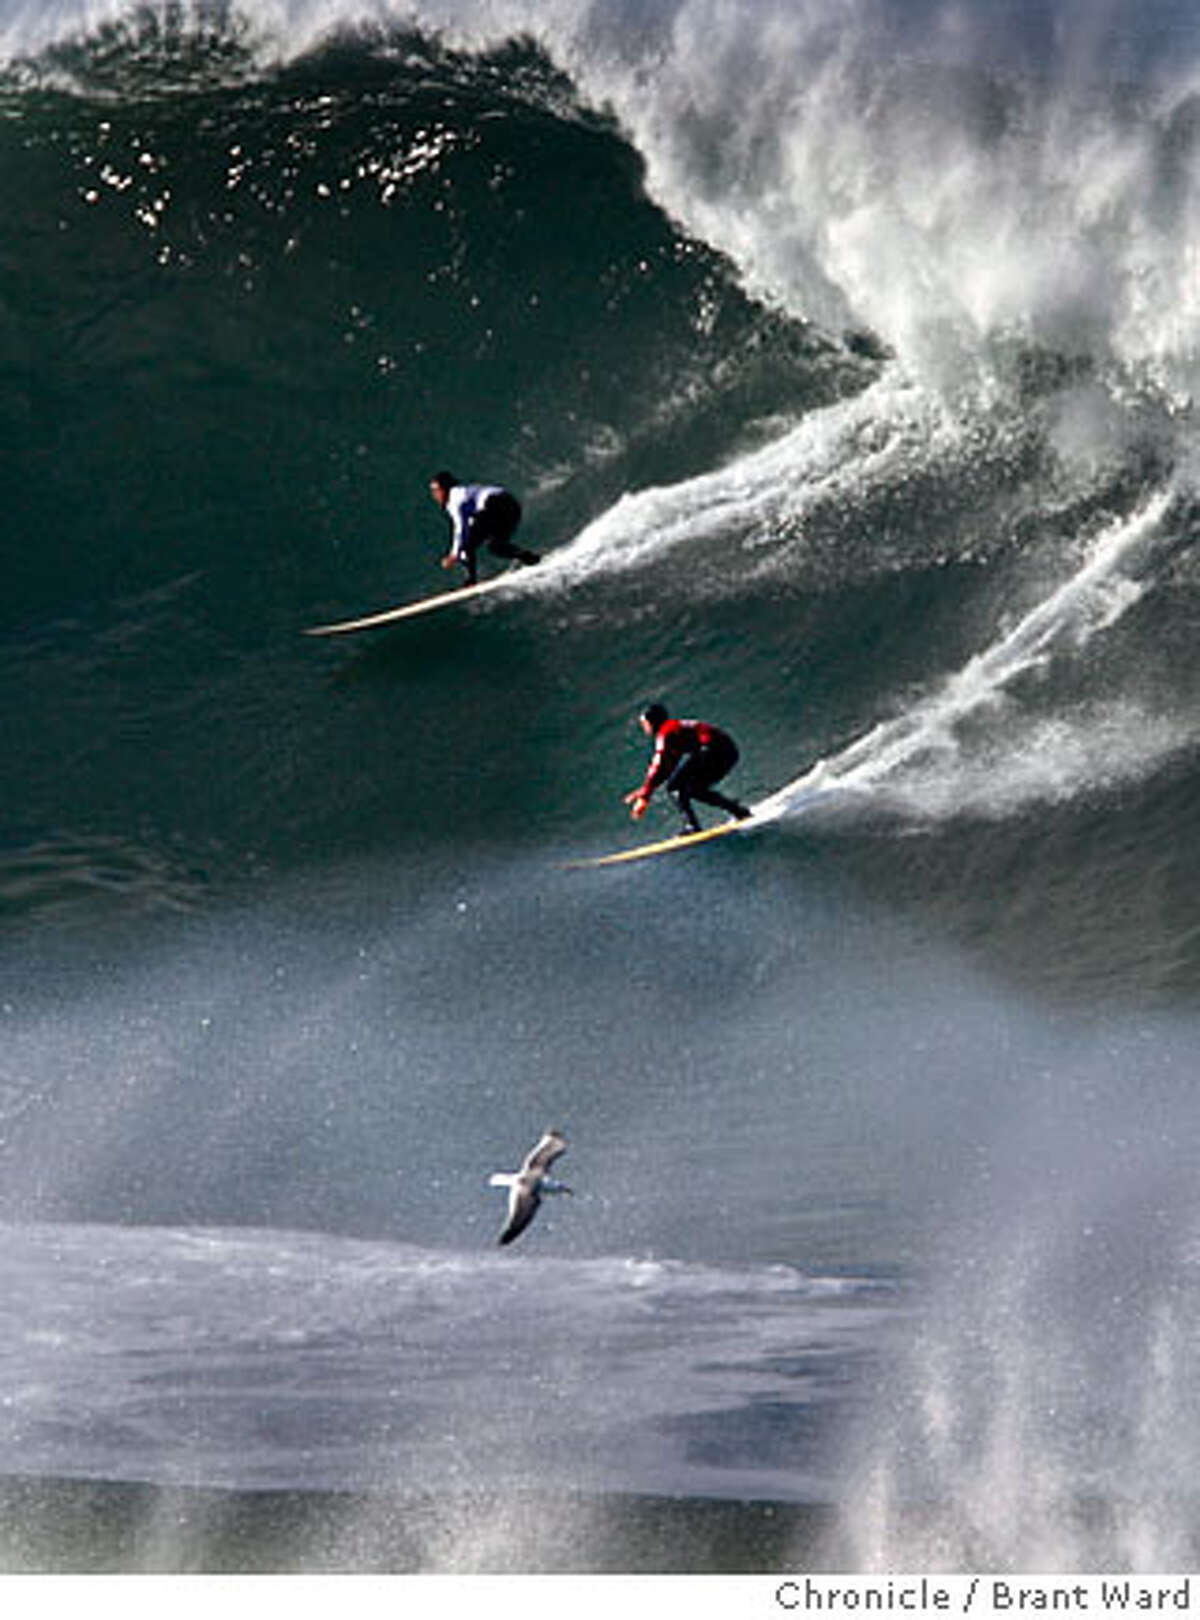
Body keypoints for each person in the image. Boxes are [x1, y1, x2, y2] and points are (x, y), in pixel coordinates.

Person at [625, 703, 752, 833]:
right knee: (692, 788)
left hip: (713, 751)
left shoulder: (666, 733)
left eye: (645, 723)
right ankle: (738, 811)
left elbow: (659, 764)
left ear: (653, 722)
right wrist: (646, 790)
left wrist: (645, 797)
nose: (644, 727)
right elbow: (666, 768)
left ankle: (692, 826)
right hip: (727, 751)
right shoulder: (674, 729)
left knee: (674, 786)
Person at [429, 471, 540, 586]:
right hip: (511, 505)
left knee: (466, 544)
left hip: (495, 505)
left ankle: (470, 580)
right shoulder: (464, 493)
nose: (435, 494)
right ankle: (529, 558)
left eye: (437, 490)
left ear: (446, 488)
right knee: (496, 546)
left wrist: (453, 554)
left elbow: (461, 528)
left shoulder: (454, 498)